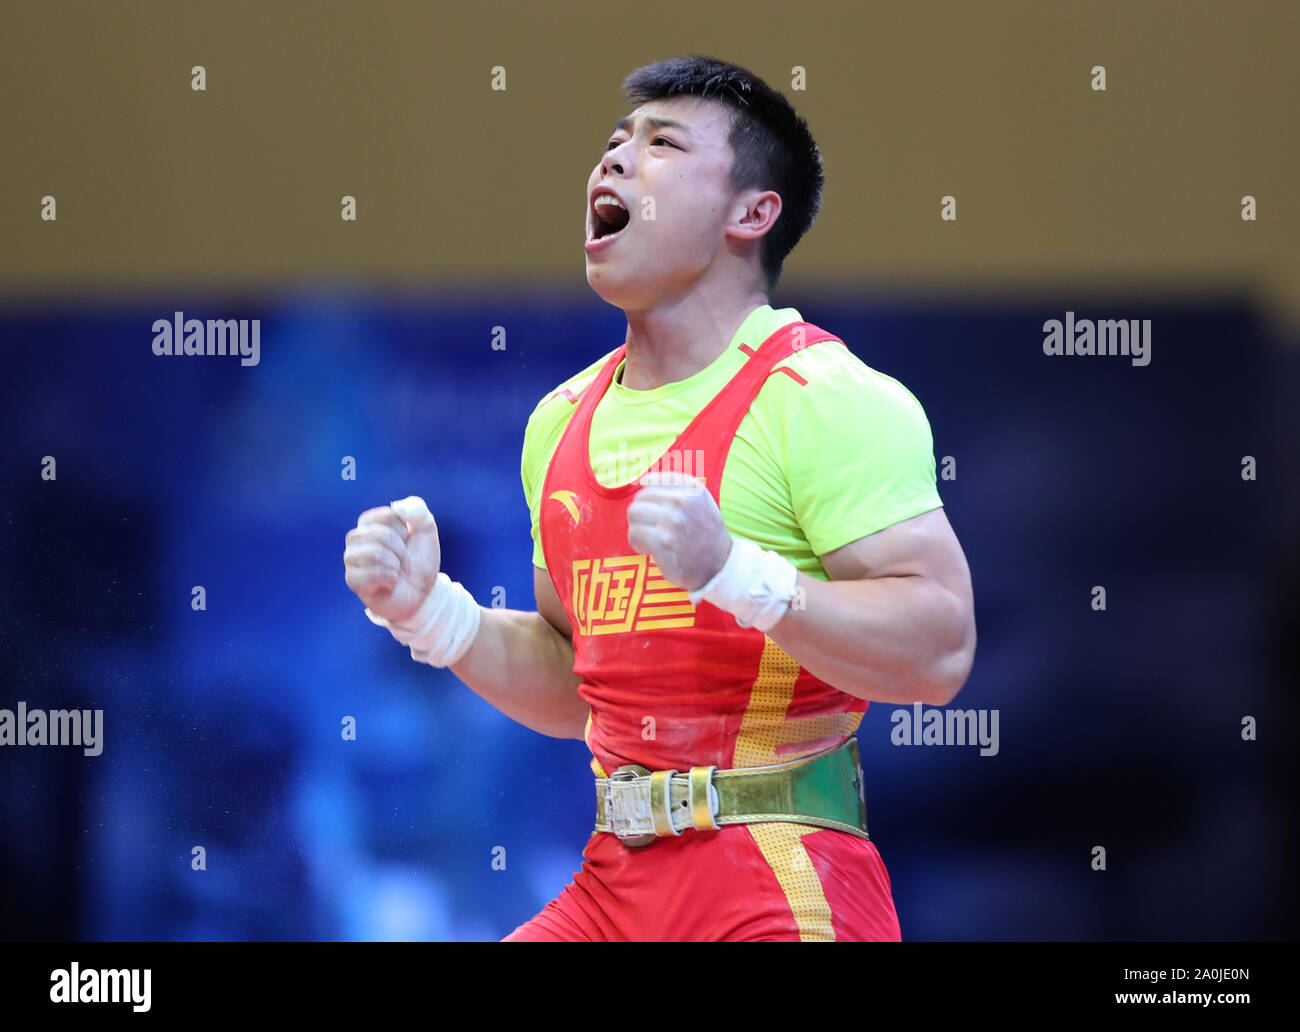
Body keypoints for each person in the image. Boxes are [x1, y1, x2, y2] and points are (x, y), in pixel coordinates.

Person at [343, 55, 976, 941]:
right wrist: (434, 616)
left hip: (779, 879)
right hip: (614, 885)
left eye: (662, 144)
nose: (614, 161)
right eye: (613, 145)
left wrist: (737, 574)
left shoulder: (825, 400)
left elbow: (940, 652)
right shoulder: (557, 424)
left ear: (751, 214)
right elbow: (579, 690)